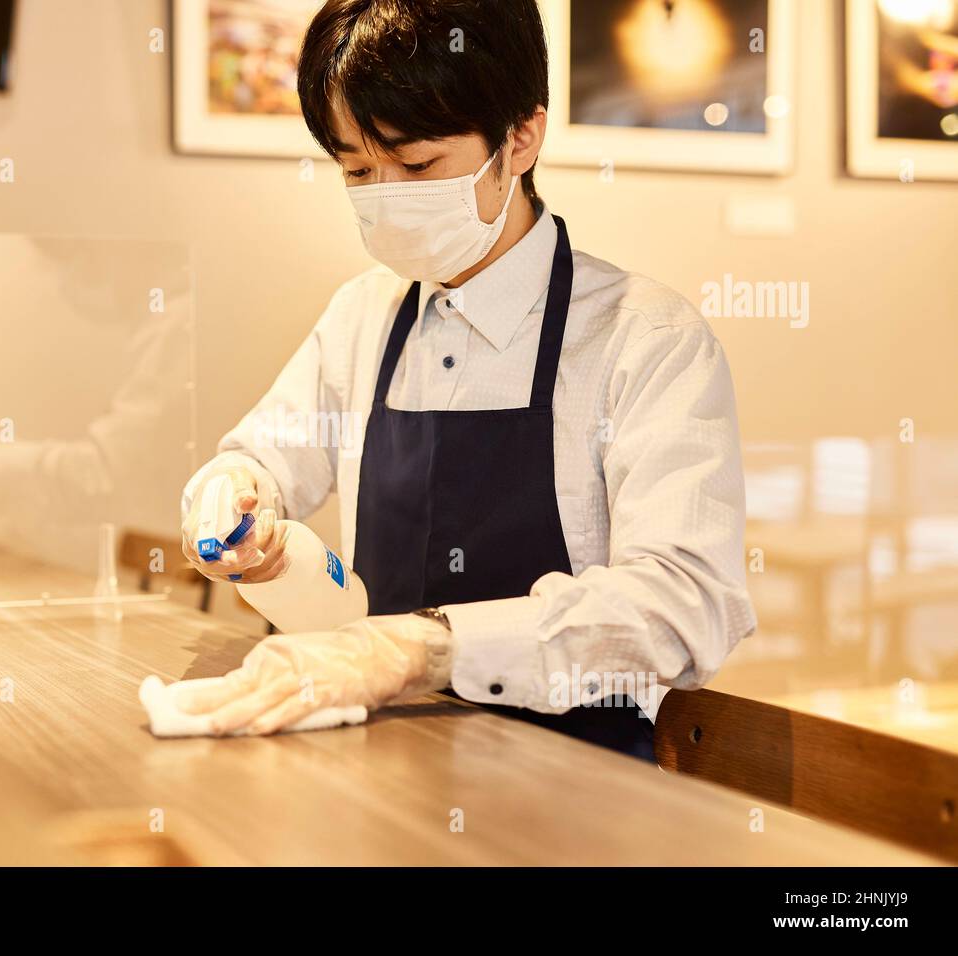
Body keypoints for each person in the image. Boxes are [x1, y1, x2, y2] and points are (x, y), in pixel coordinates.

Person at [176, 0, 756, 760]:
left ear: (521, 138)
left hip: (576, 786)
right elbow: (264, 460)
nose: (384, 195)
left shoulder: (646, 339)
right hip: (378, 768)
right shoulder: (363, 317)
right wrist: (230, 497)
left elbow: (687, 605)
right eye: (356, 169)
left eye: (415, 165)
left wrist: (425, 650)